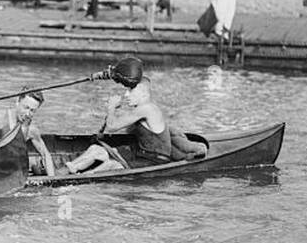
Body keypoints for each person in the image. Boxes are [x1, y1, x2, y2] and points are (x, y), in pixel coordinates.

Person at [61, 69, 206, 173]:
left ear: (143, 93)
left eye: (131, 91)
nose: (126, 94)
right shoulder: (139, 110)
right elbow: (111, 126)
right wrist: (112, 111)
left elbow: (111, 128)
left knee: (112, 165)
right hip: (140, 152)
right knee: (96, 149)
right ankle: (69, 169)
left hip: (154, 160)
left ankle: (85, 178)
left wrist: (111, 108)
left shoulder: (147, 109)